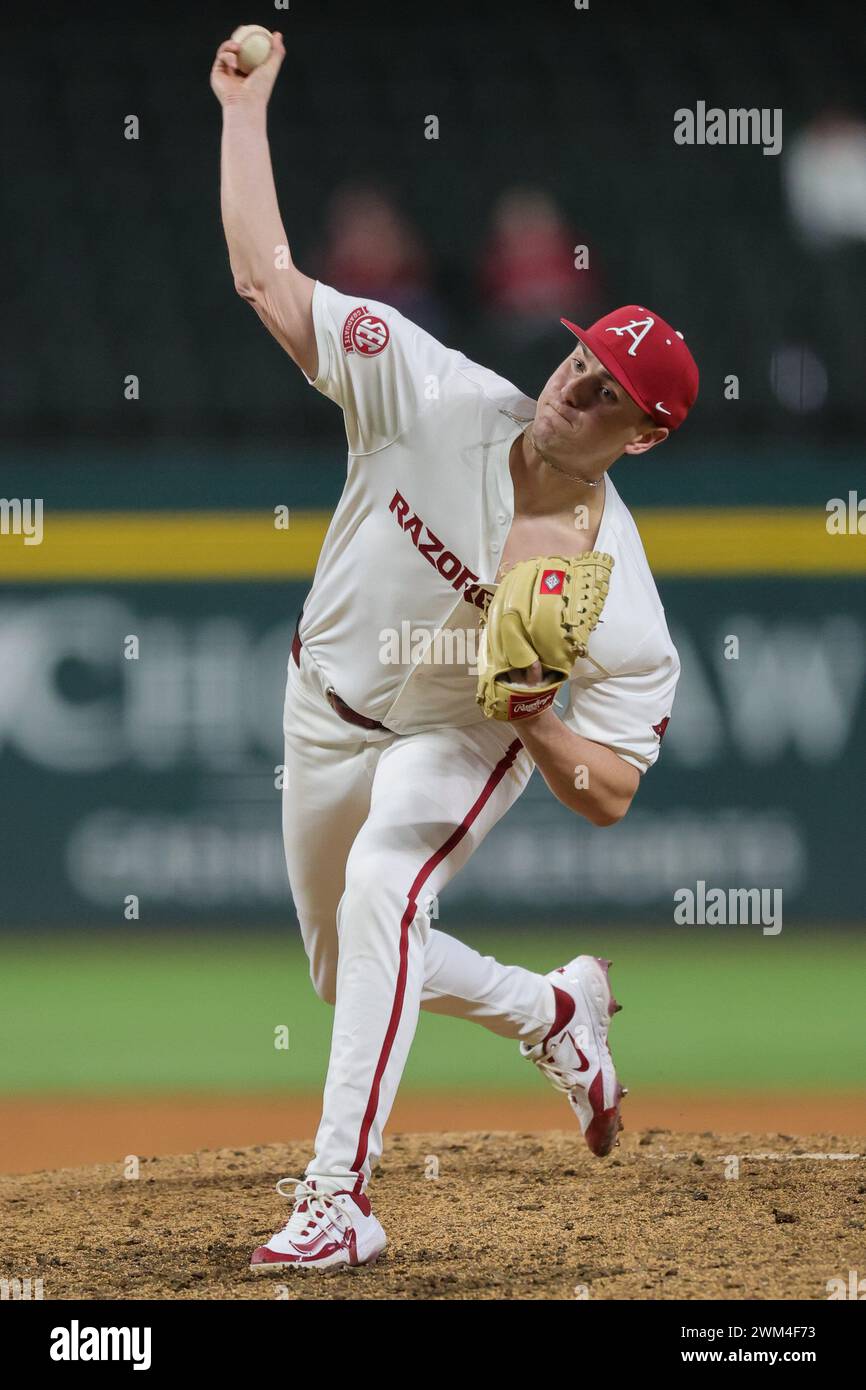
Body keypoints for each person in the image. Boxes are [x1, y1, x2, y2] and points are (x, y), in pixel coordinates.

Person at [211, 30, 698, 1272]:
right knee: (348, 970)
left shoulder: (614, 595)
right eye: (579, 357)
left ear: (641, 438)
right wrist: (242, 110)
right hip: (320, 707)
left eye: (605, 395)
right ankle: (552, 1009)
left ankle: (339, 1198)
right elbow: (269, 280)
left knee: (388, 891)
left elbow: (613, 793)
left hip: (460, 731)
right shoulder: (430, 392)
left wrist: (531, 713)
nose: (573, 386)